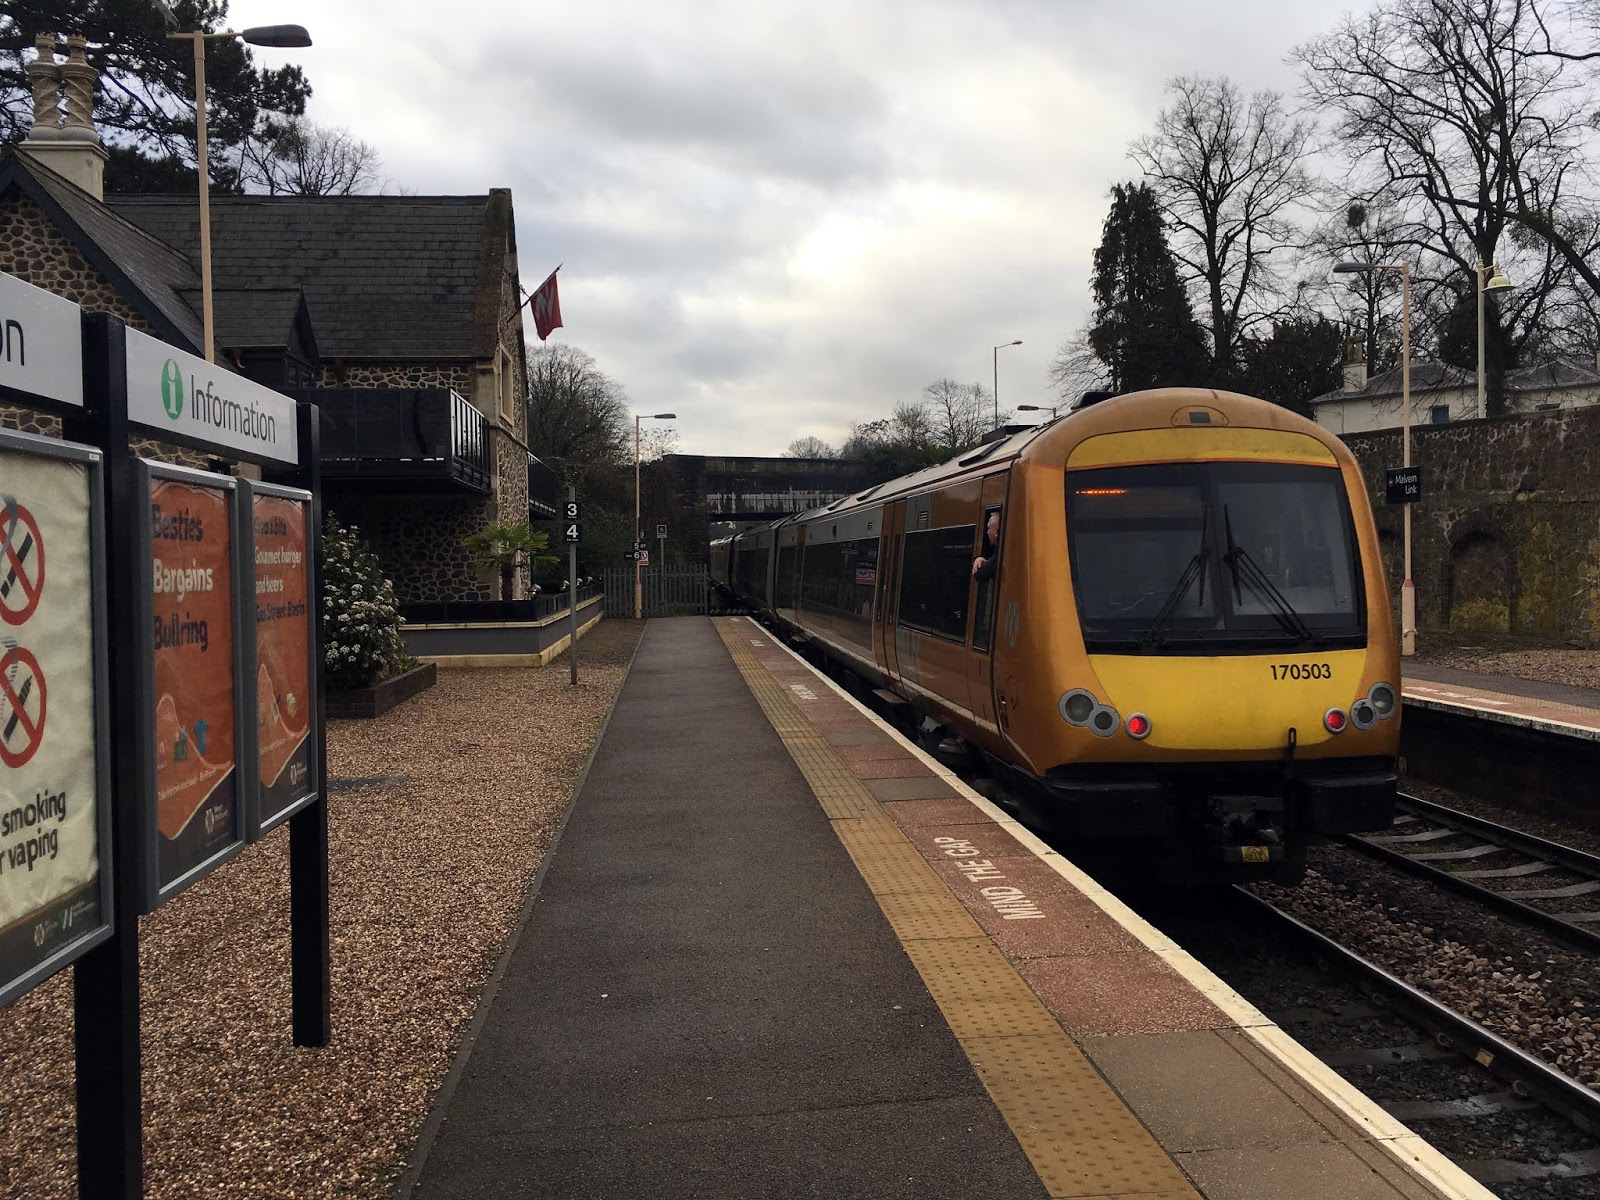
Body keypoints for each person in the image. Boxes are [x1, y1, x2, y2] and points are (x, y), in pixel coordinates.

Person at [972, 510, 1001, 581]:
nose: (987, 532)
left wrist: (978, 561)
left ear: (996, 532)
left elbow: (980, 573)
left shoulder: (1001, 551)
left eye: (989, 528)